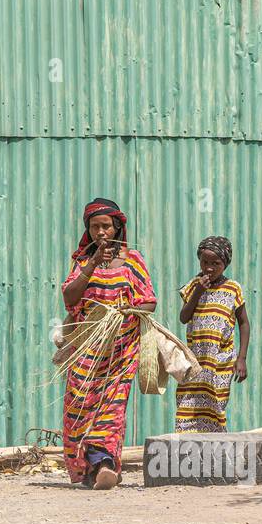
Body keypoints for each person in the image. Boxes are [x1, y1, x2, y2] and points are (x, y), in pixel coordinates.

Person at [60, 198, 157, 489]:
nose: (101, 232)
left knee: (111, 408)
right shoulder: (81, 262)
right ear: (88, 230)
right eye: (94, 227)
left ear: (117, 227)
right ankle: (90, 470)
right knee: (79, 407)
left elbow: (149, 301)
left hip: (121, 349)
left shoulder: (132, 260)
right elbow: (69, 299)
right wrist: (92, 263)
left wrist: (127, 312)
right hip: (87, 349)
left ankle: (103, 462)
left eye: (106, 226)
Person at [174, 235, 250, 433]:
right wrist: (198, 291)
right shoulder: (193, 286)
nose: (209, 268)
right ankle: (189, 449)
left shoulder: (233, 288)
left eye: (215, 263)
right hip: (195, 360)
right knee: (188, 403)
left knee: (216, 403)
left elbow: (243, 323)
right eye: (204, 262)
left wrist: (241, 358)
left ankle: (215, 450)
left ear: (225, 263)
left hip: (221, 360)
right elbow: (184, 317)